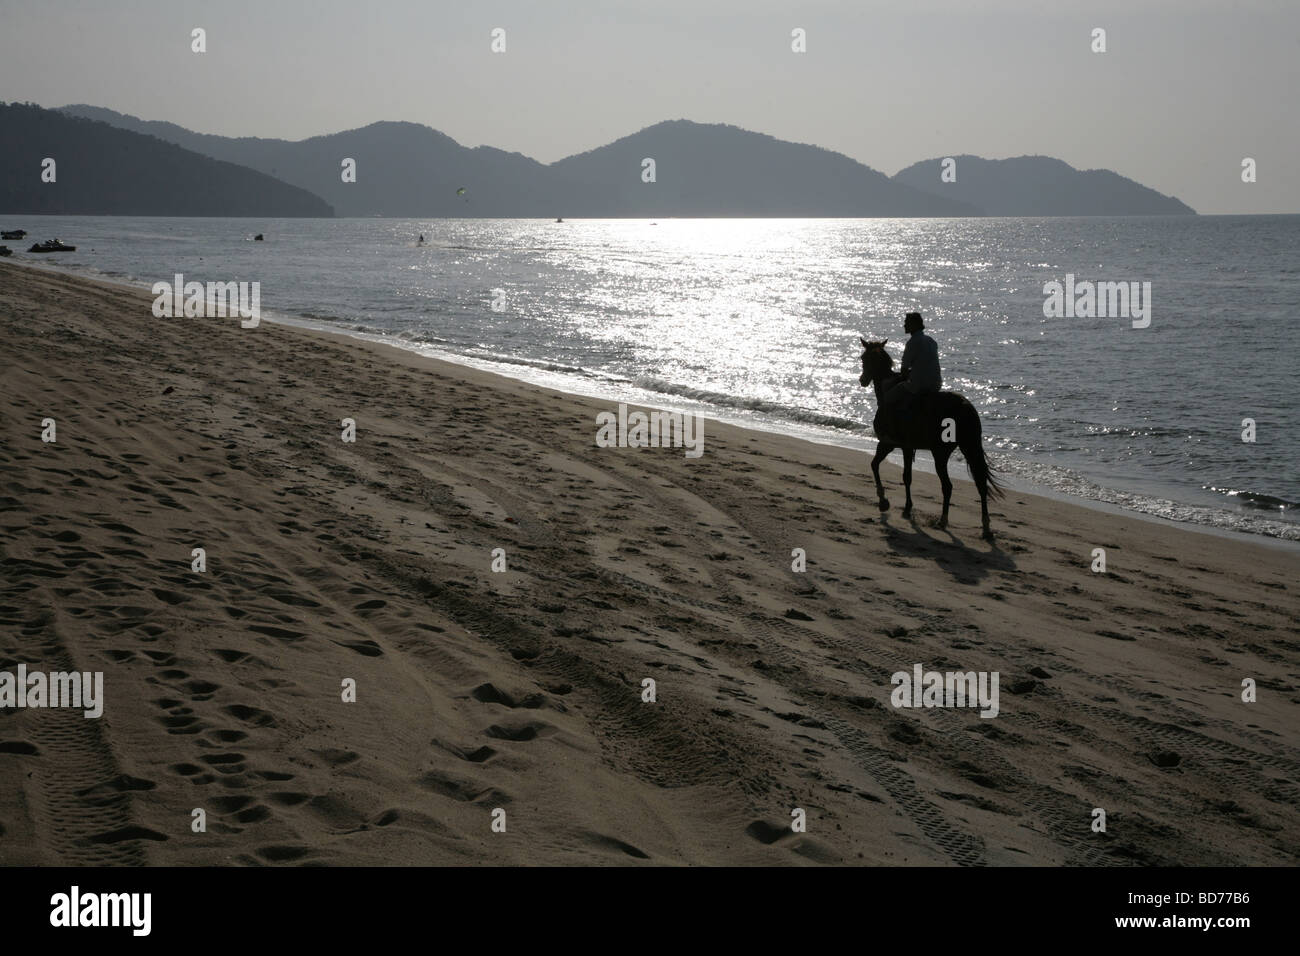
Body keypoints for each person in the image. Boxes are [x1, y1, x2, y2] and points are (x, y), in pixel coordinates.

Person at [880, 312, 942, 415]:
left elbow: (904, 371)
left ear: (914, 325)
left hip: (919, 386)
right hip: (936, 384)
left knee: (887, 397)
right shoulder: (931, 341)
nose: (904, 325)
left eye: (906, 322)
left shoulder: (912, 343)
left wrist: (898, 377)